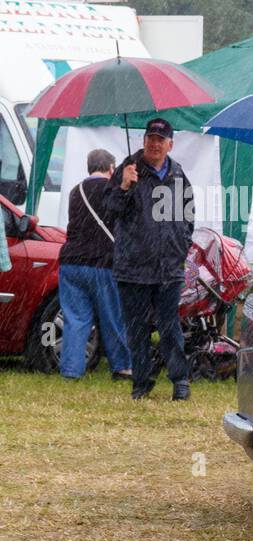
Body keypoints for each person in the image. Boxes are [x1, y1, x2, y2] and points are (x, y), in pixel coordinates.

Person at [104, 118, 195, 401]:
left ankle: (180, 380)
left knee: (170, 328)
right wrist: (123, 186)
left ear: (170, 144)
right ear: (143, 140)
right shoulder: (128, 169)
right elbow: (109, 209)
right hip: (132, 268)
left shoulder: (179, 176)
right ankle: (142, 383)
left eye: (160, 139)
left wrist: (180, 248)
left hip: (169, 269)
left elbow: (188, 219)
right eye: (150, 138)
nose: (154, 144)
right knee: (137, 330)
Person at [58, 148, 132, 381]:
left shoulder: (75, 191)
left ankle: (71, 370)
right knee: (112, 318)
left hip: (70, 262)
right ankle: (121, 367)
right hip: (102, 262)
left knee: (76, 319)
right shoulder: (112, 189)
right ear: (111, 168)